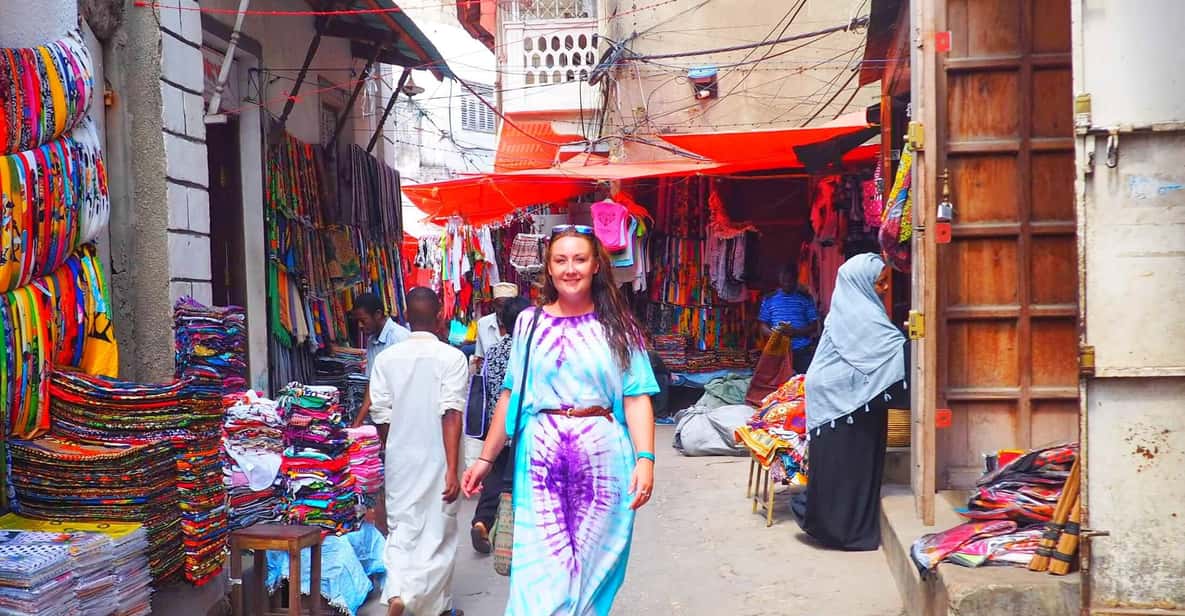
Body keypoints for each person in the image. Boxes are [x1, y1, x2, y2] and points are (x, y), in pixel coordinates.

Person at [460, 224, 660, 615]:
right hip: (539, 466)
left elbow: (636, 398)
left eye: (580, 259)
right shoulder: (529, 324)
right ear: (548, 269)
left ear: (596, 266)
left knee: (590, 572)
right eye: (561, 260)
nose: (571, 269)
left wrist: (645, 459)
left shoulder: (620, 326)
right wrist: (485, 459)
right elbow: (510, 396)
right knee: (544, 577)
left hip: (603, 466)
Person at [791, 253, 908, 551]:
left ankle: (842, 526)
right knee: (843, 468)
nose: (883, 288)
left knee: (845, 468)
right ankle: (841, 531)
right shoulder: (859, 314)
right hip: (839, 399)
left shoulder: (859, 309)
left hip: (846, 396)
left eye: (884, 282)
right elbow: (889, 354)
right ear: (861, 282)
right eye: (878, 282)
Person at [369, 287, 470, 616]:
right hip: (441, 457)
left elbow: (380, 415)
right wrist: (453, 469)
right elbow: (451, 413)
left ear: (406, 317)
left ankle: (398, 591)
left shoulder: (386, 360)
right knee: (438, 533)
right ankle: (430, 606)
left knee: (402, 530)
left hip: (401, 458)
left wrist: (393, 444)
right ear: (440, 315)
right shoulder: (452, 358)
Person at [469, 295, 530, 554]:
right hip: (523, 425)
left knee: (495, 477)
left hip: (497, 425)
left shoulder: (494, 352)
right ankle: (516, 532)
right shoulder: (529, 351)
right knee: (519, 481)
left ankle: (482, 521)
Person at [350, 293, 410, 428]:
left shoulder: (400, 338)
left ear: (377, 314)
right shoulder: (372, 341)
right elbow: (372, 384)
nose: (360, 326)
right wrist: (358, 422)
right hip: (384, 417)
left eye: (363, 320)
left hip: (403, 416)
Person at [758, 265, 820, 374]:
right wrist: (774, 334)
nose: (787, 284)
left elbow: (814, 325)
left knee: (802, 383)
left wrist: (795, 332)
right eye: (784, 281)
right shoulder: (769, 299)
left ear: (796, 280)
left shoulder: (805, 298)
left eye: (790, 281)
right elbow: (762, 325)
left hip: (801, 350)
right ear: (779, 280)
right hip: (778, 350)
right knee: (778, 385)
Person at [472, 282, 520, 372]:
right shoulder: (483, 324)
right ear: (494, 304)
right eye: (500, 306)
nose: (503, 311)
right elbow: (480, 357)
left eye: (507, 307)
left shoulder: (522, 325)